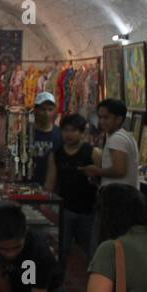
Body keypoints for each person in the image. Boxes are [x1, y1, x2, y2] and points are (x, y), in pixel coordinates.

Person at [44, 113, 99, 271]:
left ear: (82, 132)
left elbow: (101, 181)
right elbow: (50, 183)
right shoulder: (56, 155)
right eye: (65, 130)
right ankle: (58, 284)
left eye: (73, 130)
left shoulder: (93, 153)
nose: (68, 134)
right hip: (65, 209)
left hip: (89, 210)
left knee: (92, 252)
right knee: (62, 250)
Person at [89, 98, 140, 188]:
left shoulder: (116, 139)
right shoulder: (125, 136)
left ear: (118, 119)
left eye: (106, 118)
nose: (101, 122)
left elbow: (119, 170)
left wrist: (96, 171)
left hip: (118, 196)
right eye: (100, 117)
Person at [28, 92, 61, 185]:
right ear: (35, 110)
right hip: (27, 184)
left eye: (50, 109)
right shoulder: (25, 133)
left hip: (51, 186)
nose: (47, 113)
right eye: (43, 109)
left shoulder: (59, 134)